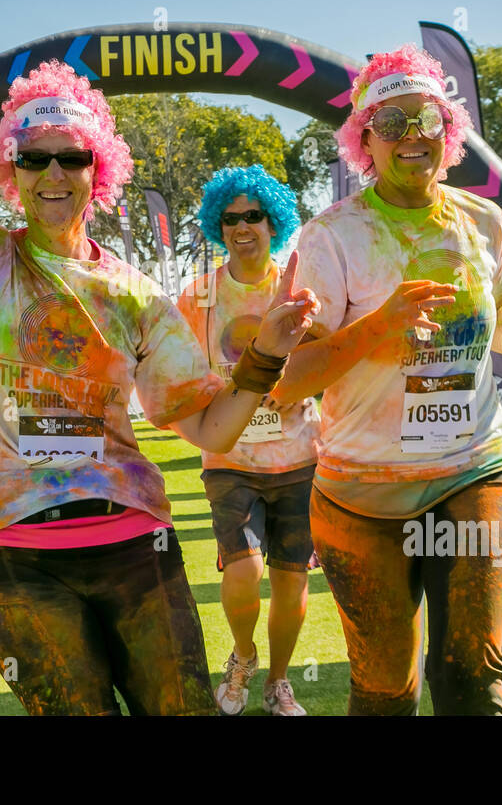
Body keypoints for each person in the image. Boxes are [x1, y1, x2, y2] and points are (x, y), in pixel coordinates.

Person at [0, 0, 319, 716]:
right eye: (35, 158)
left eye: (72, 156)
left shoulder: (133, 294)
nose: (54, 174)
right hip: (15, 554)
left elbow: (213, 428)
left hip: (136, 546)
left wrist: (266, 358)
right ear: (11, 170)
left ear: (101, 169)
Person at [277, 45, 502, 715]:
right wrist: (379, 328)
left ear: (448, 131)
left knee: (473, 676)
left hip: (475, 467)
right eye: (391, 123)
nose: (412, 136)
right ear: (364, 141)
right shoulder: (331, 239)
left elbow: (494, 308)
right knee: (386, 689)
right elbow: (289, 381)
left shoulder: (482, 219)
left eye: (426, 120)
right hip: (361, 489)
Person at [177, 166, 318, 717]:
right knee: (243, 572)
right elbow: (181, 372)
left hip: (298, 457)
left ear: (272, 221)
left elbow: (327, 360)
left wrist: (299, 386)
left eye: (252, 216)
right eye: (230, 218)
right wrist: (221, 396)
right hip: (229, 458)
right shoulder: (198, 294)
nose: (241, 227)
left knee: (290, 583)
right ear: (218, 224)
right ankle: (242, 657)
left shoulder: (299, 286)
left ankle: (278, 682)